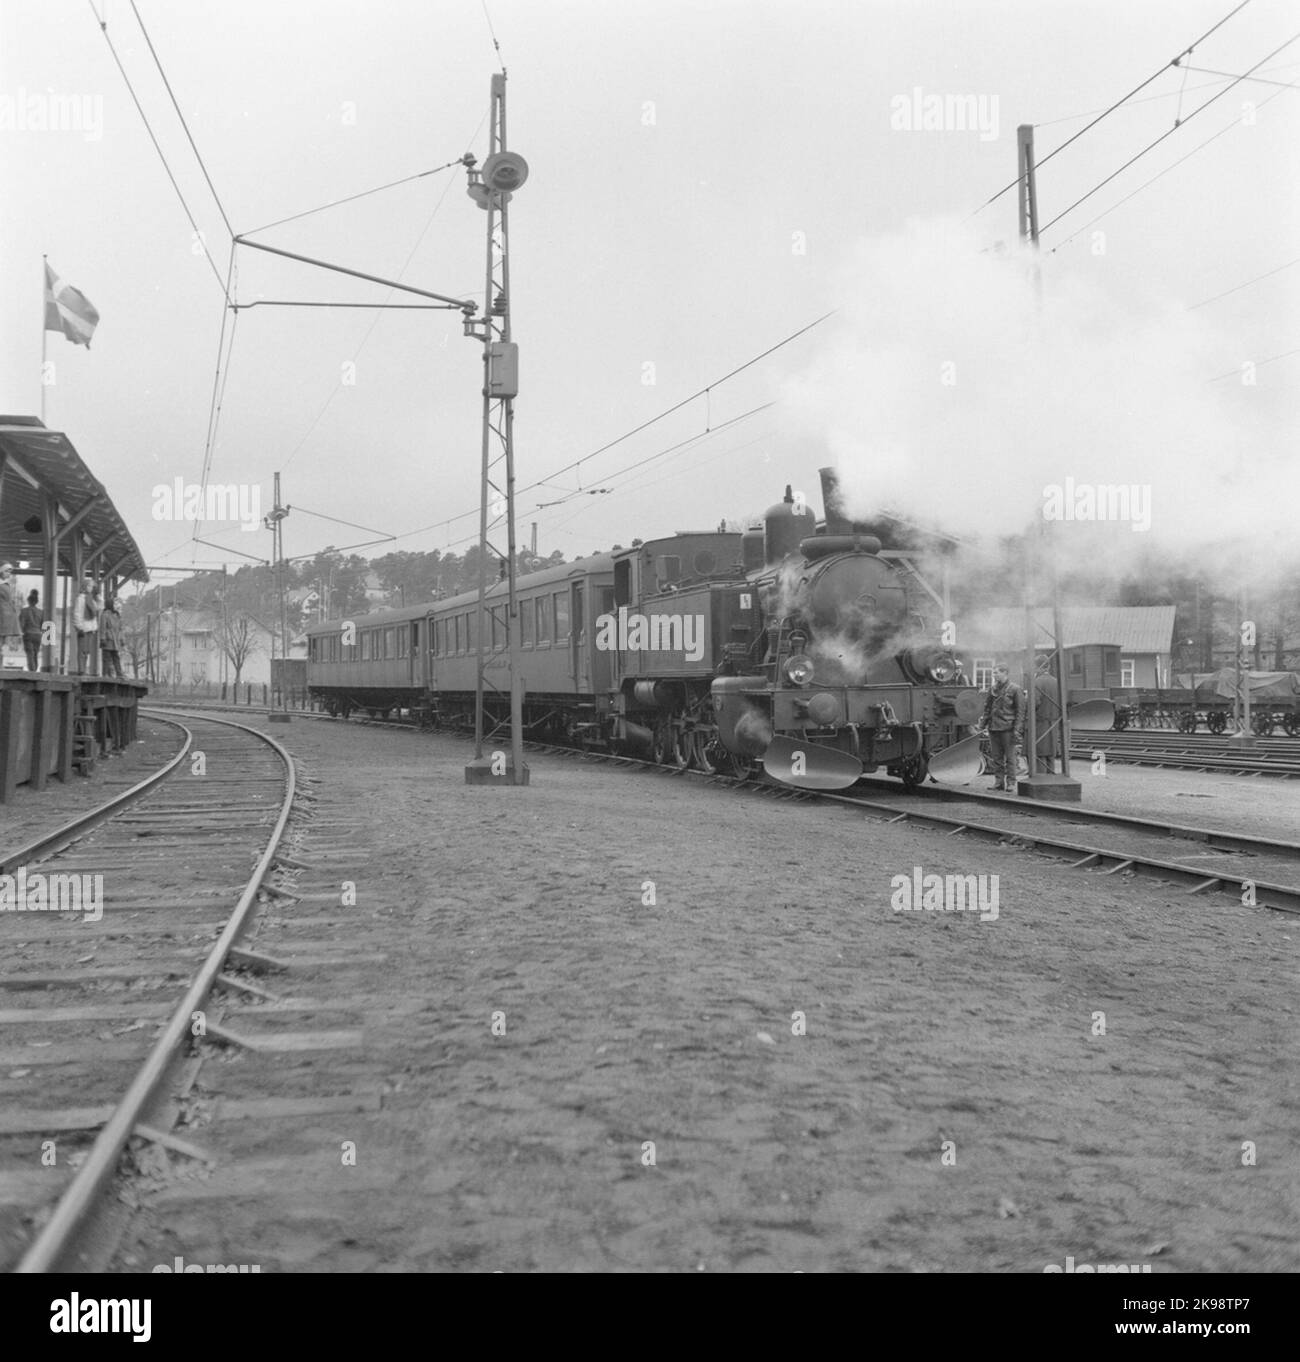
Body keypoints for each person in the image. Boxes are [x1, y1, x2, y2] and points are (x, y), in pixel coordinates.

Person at [980, 662, 1025, 792]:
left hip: (1008, 729)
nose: (994, 675)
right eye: (993, 672)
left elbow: (1020, 712)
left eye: (996, 672)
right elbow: (987, 709)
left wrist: (1017, 729)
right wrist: (982, 725)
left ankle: (1011, 782)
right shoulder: (993, 689)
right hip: (994, 728)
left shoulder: (1015, 689)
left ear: (1005, 673)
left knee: (1010, 758)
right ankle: (999, 782)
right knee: (996, 758)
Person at [1033, 655, 1063, 774]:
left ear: (1036, 667)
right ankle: (1051, 780)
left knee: (1040, 754)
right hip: (1053, 723)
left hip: (1039, 724)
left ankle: (1041, 781)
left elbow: (1034, 703)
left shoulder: (1036, 682)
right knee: (1051, 754)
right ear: (1049, 666)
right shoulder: (1057, 682)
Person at [72, 574, 100, 675]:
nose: (91, 588)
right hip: (83, 628)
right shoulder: (81, 599)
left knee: (87, 651)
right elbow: (77, 613)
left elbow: (99, 608)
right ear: (84, 586)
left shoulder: (92, 599)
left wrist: (98, 596)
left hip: (91, 628)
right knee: (82, 650)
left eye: (92, 586)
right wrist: (79, 627)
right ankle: (81, 670)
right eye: (89, 586)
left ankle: (83, 669)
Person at [20, 589, 44, 671]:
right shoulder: (41, 612)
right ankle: (35, 668)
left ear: (28, 601)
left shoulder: (24, 611)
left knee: (30, 653)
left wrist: (22, 631)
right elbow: (42, 625)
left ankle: (32, 670)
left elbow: (22, 624)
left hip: (28, 634)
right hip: (38, 635)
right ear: (36, 602)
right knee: (35, 653)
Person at [99, 596, 123, 677]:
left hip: (111, 639)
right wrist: (103, 639)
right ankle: (110, 673)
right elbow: (103, 628)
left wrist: (121, 639)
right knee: (111, 657)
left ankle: (115, 674)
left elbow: (120, 629)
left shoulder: (113, 615)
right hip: (110, 639)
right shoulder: (108, 615)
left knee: (111, 657)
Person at [0, 564, 19, 665]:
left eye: (10, 572)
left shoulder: (6, 585)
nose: (9, 574)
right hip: (3, 616)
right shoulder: (4, 586)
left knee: (2, 642)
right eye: (7, 571)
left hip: (6, 617)